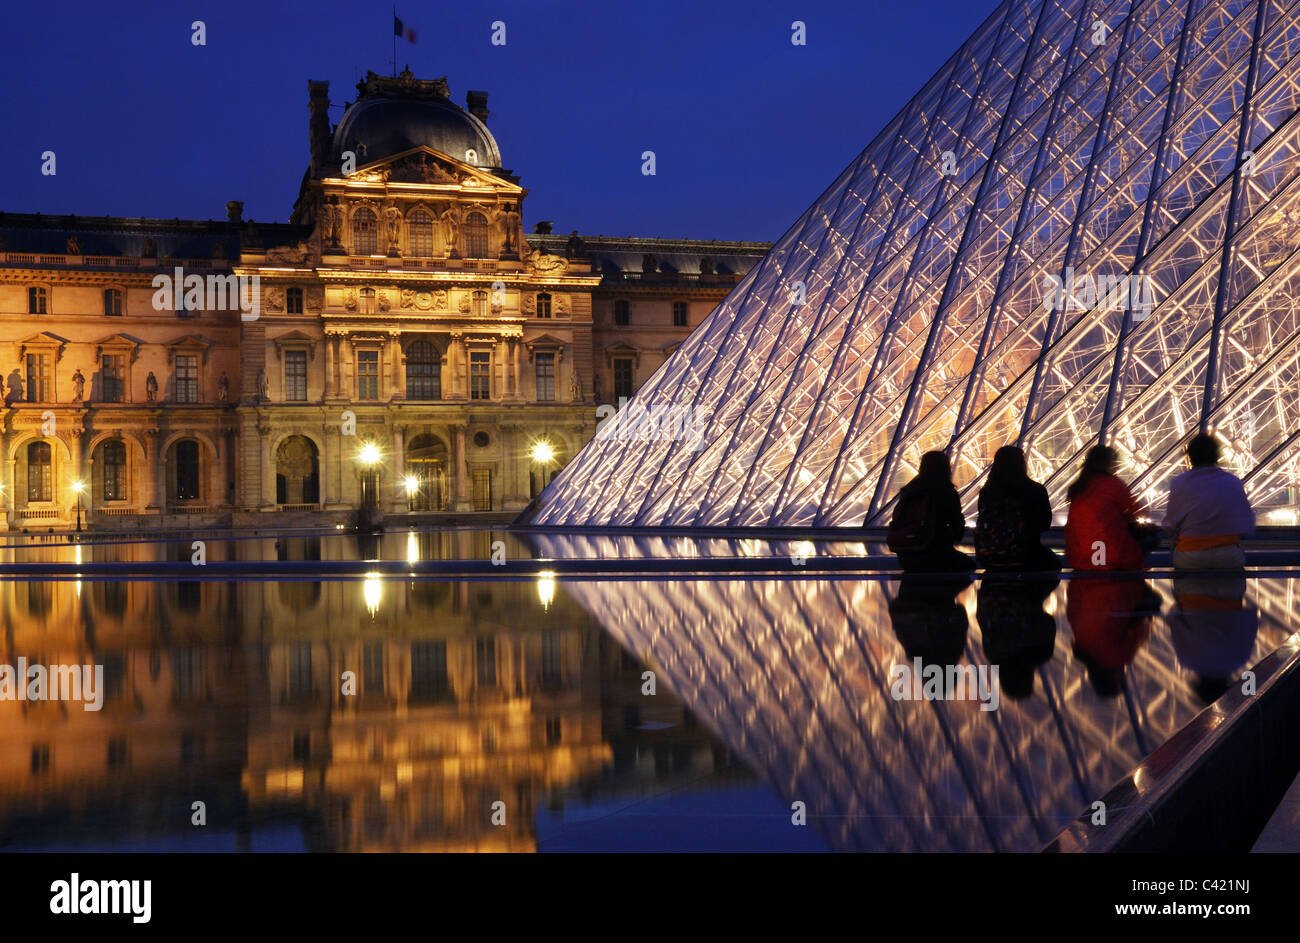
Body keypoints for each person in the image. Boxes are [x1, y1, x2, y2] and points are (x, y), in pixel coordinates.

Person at [1162, 433, 1255, 569]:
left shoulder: (1180, 482)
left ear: (1190, 457)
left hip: (1191, 554)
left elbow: (1170, 524)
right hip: (1228, 555)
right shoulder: (1233, 481)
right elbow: (1247, 524)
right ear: (1217, 456)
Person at [974, 445, 1061, 571]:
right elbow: (1044, 525)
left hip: (991, 557)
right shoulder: (1036, 490)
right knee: (1054, 566)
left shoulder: (987, 492)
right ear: (1022, 464)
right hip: (1027, 555)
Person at [885, 450, 973, 573]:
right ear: (947, 469)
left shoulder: (909, 491)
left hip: (906, 557)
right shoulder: (947, 492)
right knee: (968, 565)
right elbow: (957, 531)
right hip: (934, 554)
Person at [1063, 445, 1145, 570]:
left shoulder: (1079, 486)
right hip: (1109, 556)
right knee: (1149, 537)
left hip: (1078, 556)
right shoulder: (1114, 484)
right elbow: (1137, 512)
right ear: (1109, 464)